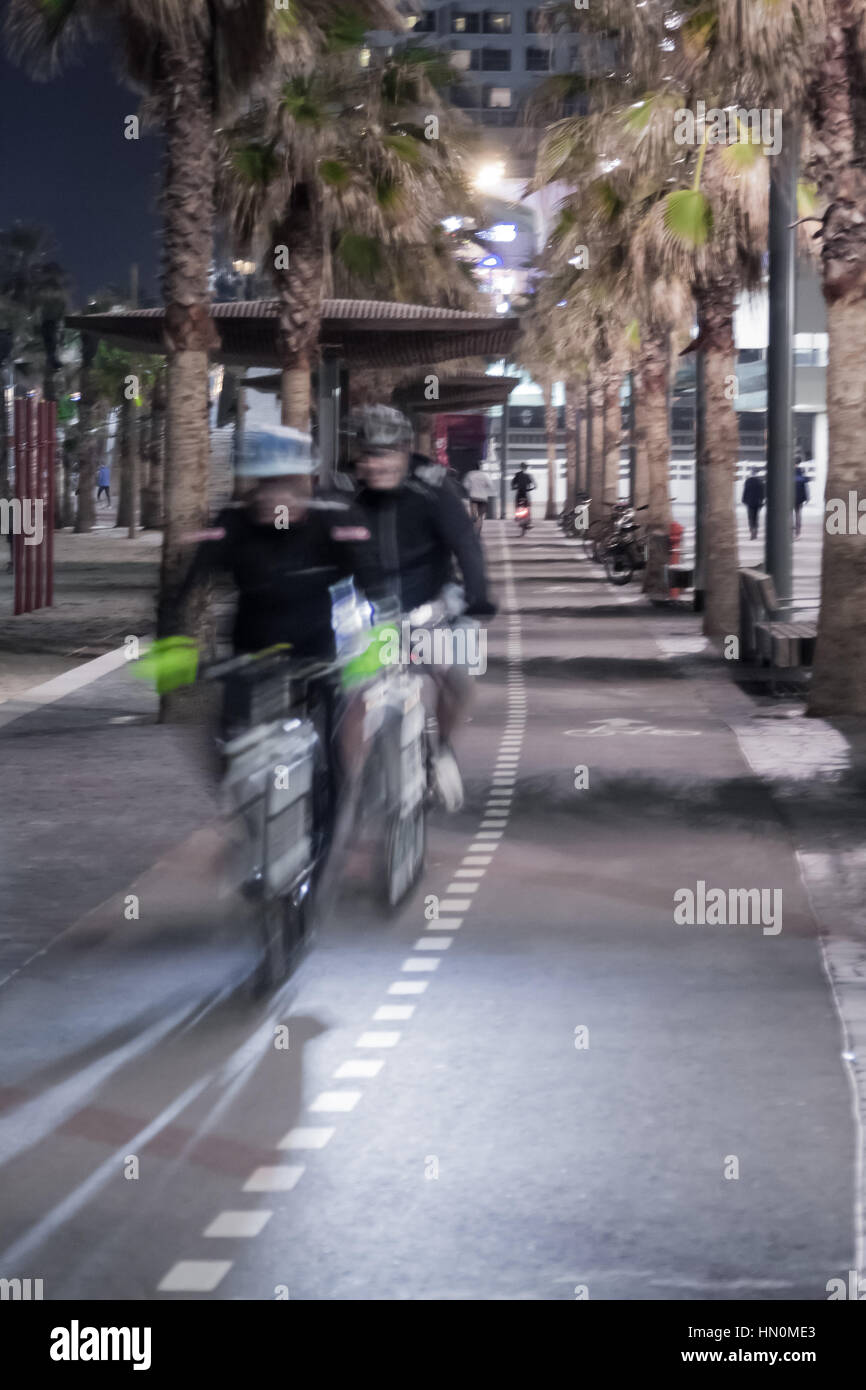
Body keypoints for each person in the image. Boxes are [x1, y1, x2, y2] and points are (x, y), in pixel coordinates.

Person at [346, 404, 497, 811]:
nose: (377, 464)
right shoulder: (347, 493)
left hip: (430, 603)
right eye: (369, 454)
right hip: (369, 612)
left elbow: (466, 542)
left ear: (406, 450)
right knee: (350, 695)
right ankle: (346, 792)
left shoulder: (433, 487)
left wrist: (478, 595)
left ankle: (443, 750)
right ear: (358, 456)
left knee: (458, 677)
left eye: (388, 453)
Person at [463, 465, 495, 532]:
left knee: (474, 515)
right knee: (480, 516)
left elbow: (465, 486)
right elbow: (490, 485)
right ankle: (478, 531)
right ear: (480, 468)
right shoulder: (484, 475)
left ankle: (474, 529)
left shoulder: (470, 474)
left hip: (473, 497)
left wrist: (470, 489)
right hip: (483, 498)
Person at [741, 467, 765, 541]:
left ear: (751, 473)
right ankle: (755, 531)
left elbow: (745, 491)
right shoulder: (760, 482)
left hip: (749, 502)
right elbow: (763, 493)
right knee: (756, 517)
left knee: (751, 518)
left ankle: (752, 532)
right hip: (758, 502)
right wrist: (762, 501)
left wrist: (744, 500)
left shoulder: (748, 481)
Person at [794, 457, 810, 538]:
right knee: (798, 514)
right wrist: (807, 498)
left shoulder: (788, 473)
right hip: (799, 498)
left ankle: (790, 531)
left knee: (789, 515)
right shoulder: (801, 474)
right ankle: (797, 532)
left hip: (790, 498)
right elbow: (805, 487)